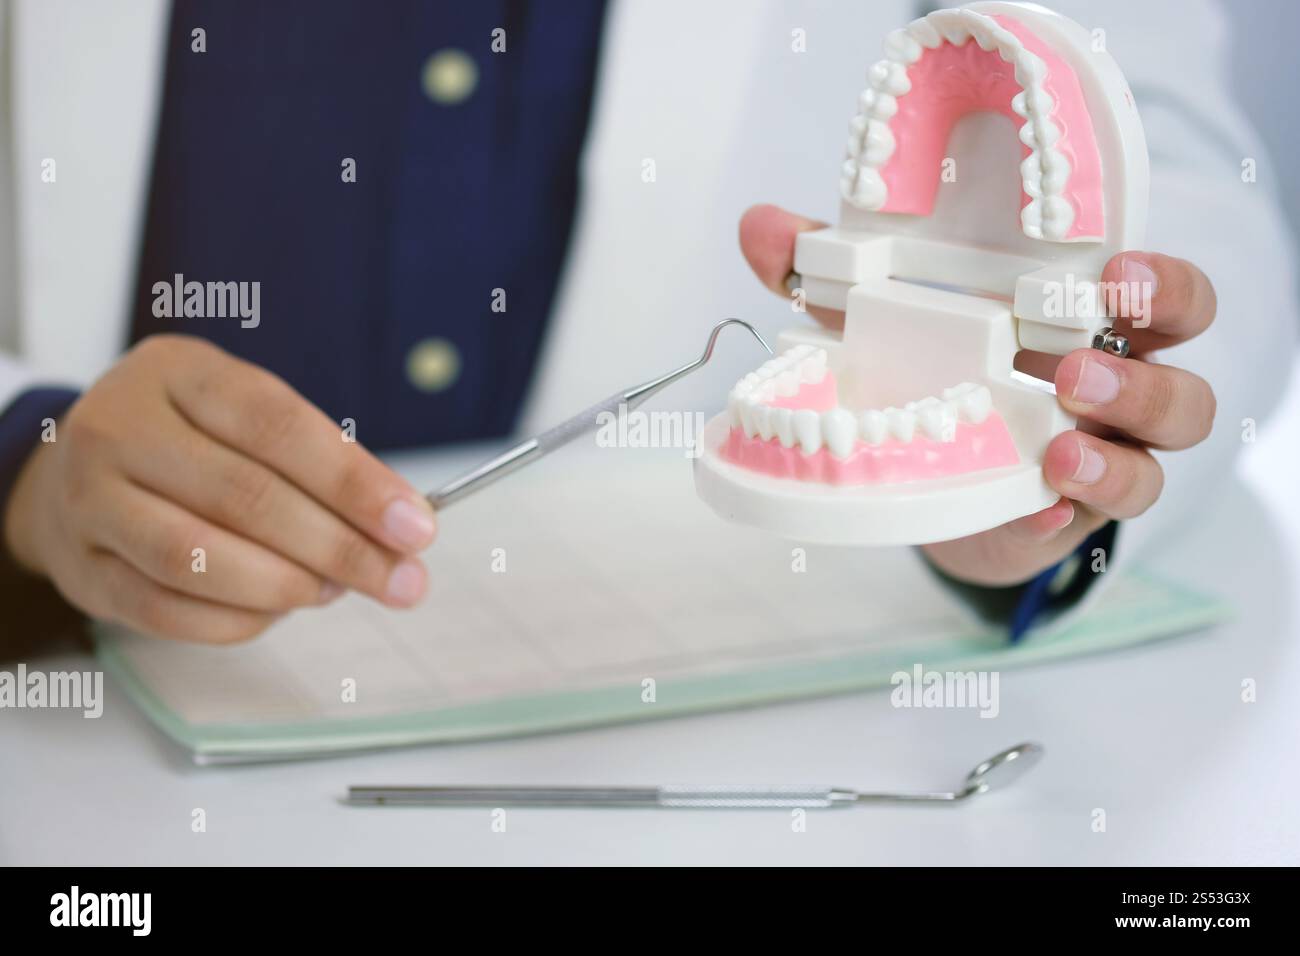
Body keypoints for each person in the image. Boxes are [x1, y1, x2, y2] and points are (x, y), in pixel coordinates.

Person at [0, 0, 1294, 648]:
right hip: (80, 700)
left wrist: (1031, 467)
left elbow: (1164, 154)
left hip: (701, 696)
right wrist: (23, 453)